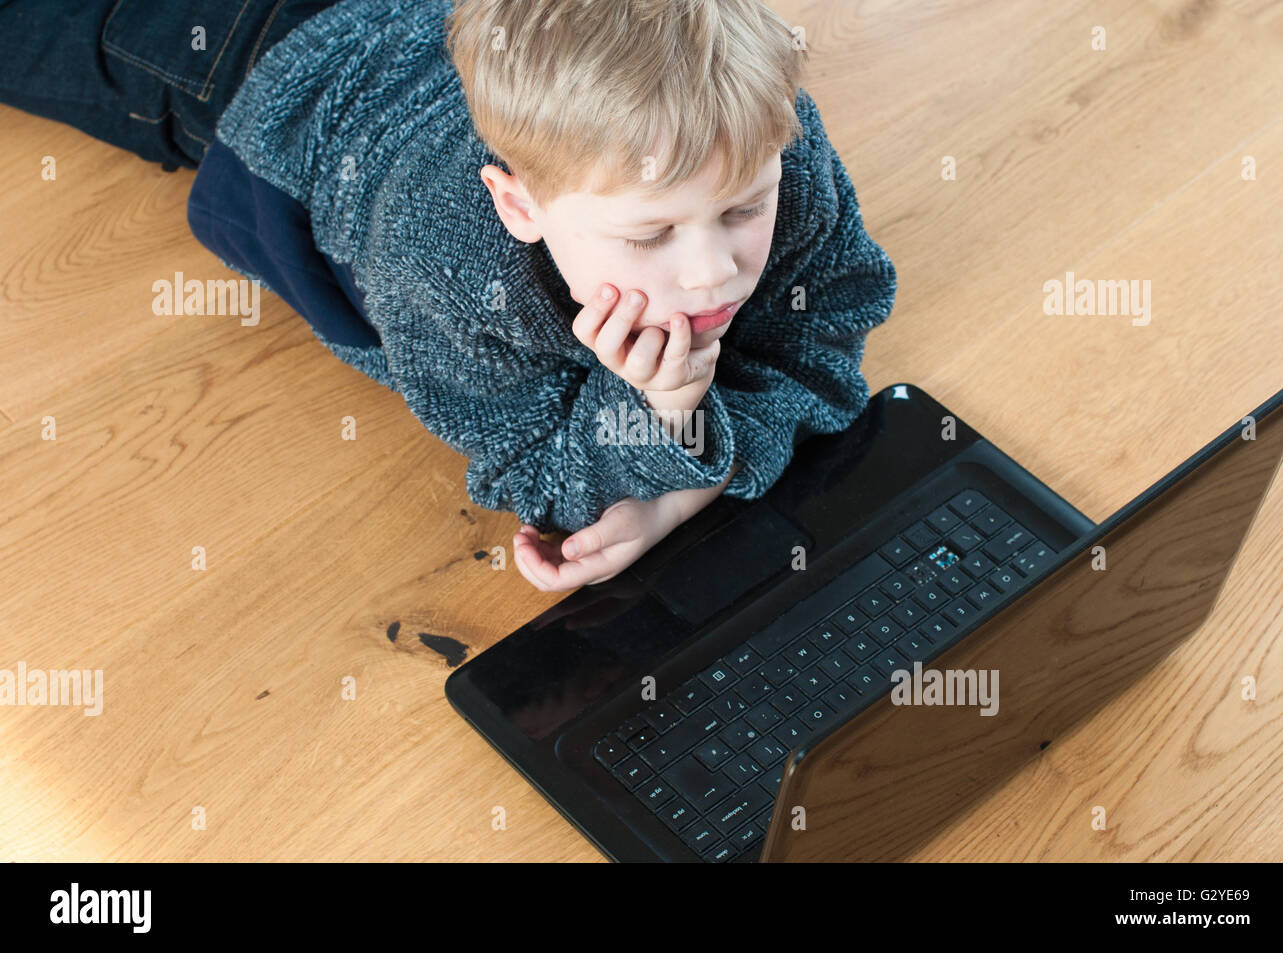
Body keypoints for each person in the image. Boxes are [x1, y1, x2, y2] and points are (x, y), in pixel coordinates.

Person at [0, 0, 897, 592]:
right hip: (253, 58)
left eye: (742, 210)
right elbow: (532, 471)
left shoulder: (768, 140)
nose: (710, 273)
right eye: (650, 235)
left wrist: (680, 484)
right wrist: (661, 416)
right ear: (519, 205)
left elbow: (827, 348)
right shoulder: (441, 261)